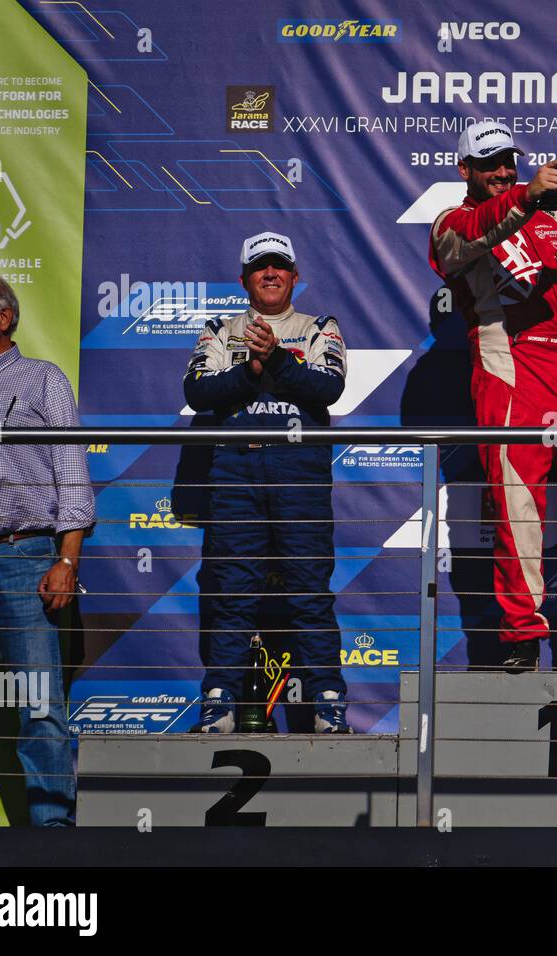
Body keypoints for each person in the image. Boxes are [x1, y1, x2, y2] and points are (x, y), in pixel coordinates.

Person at [428, 120, 557, 672]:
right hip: (515, 366)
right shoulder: (455, 221)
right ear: (465, 170)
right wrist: (523, 196)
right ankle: (521, 637)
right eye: (488, 163)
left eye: (508, 163)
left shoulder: (550, 226)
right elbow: (455, 248)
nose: (501, 171)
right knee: (517, 510)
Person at [184, 232, 350, 732]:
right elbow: (197, 390)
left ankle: (327, 701)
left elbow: (331, 386)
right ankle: (220, 703)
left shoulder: (319, 327)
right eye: (260, 268)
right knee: (232, 593)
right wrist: (254, 369)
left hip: (299, 473)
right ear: (244, 280)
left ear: (295, 276)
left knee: (309, 593)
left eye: (279, 266)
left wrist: (277, 358)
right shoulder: (219, 330)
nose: (270, 274)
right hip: (235, 472)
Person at [0, 273, 93, 825]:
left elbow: (72, 476)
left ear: (5, 317)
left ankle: (52, 831)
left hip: (23, 556)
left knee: (39, 704)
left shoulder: (42, 379)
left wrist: (66, 560)